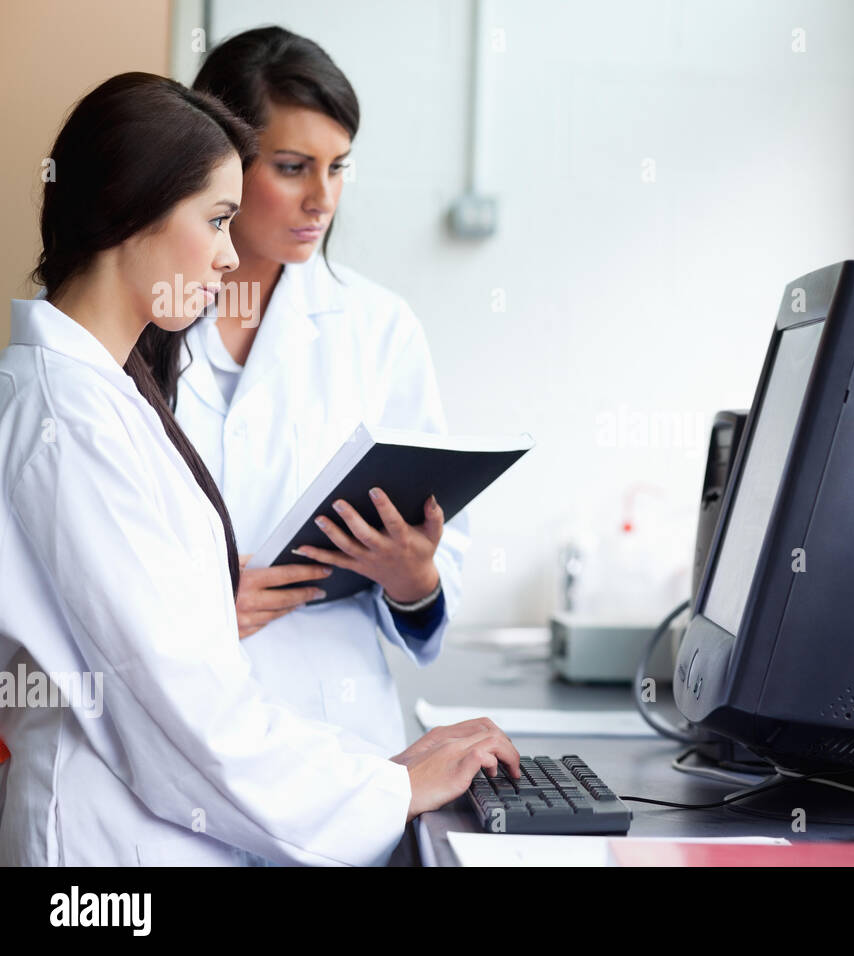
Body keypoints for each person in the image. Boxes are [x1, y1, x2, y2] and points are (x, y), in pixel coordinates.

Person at [0, 72, 518, 866]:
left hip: (214, 803)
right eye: (215, 220)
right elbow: (182, 707)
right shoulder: (68, 419)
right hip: (113, 843)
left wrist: (374, 774)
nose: (226, 255)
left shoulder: (103, 394)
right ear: (129, 208)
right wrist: (387, 787)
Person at [131, 25, 465, 758]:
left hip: (335, 738)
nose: (323, 199)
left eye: (338, 168)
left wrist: (414, 578)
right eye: (292, 167)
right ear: (216, 161)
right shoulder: (136, 318)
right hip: (168, 738)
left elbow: (437, 581)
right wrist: (203, 606)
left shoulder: (379, 331)